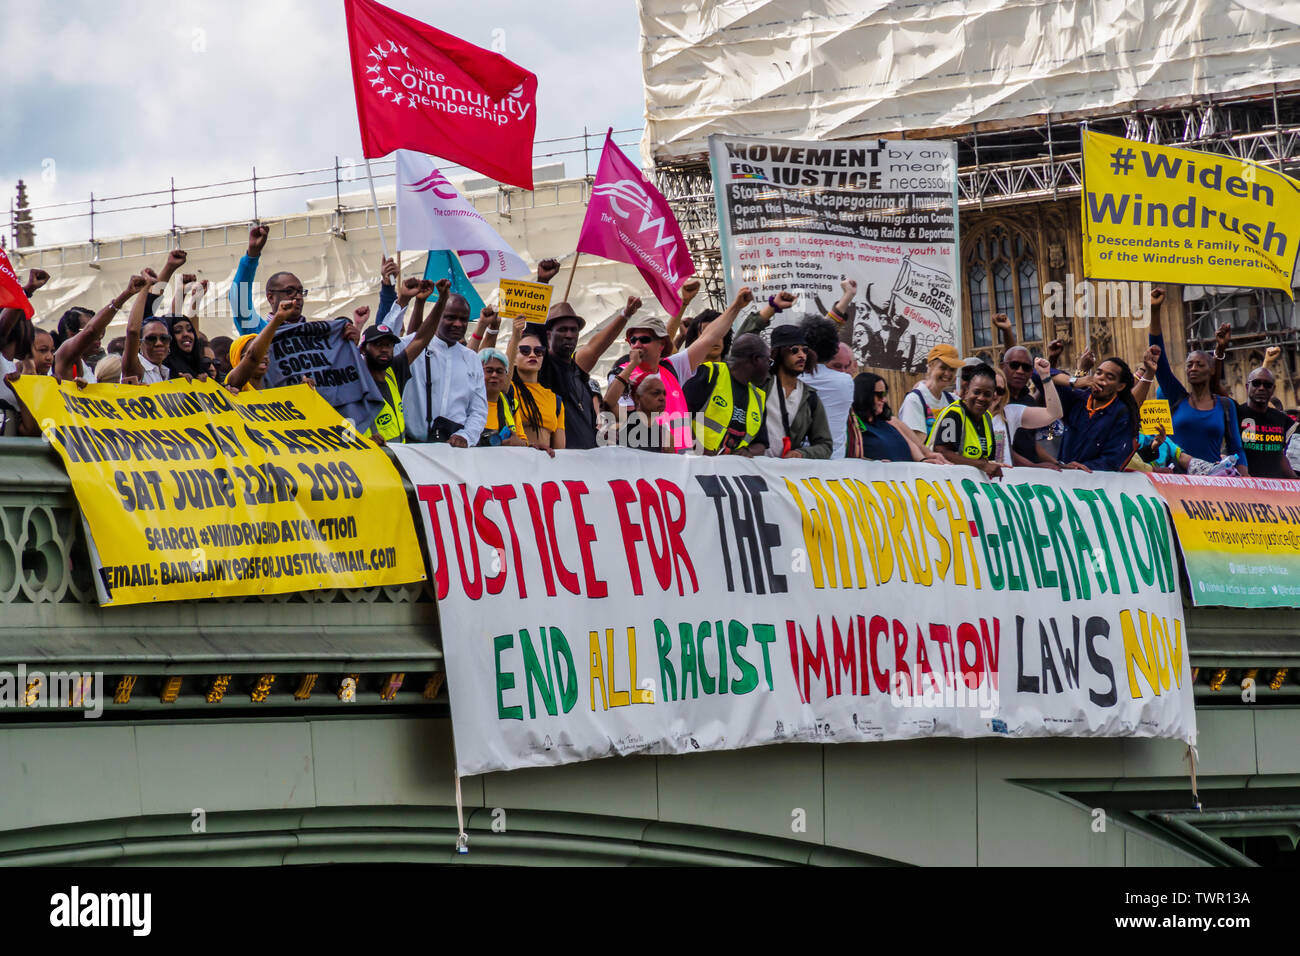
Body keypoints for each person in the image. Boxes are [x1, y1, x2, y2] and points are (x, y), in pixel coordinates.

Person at [602, 290, 745, 452]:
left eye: (645, 339)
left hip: (683, 460)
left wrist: (737, 306)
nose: (637, 344)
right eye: (633, 340)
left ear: (661, 344)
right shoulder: (621, 374)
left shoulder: (672, 367)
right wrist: (632, 366)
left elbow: (709, 338)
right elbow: (619, 416)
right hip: (646, 457)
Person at [1147, 287, 1248, 473]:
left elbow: (1236, 448)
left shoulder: (1225, 406)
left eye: (1199, 365)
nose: (1193, 368)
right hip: (1178, 482)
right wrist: (1154, 311)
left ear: (1211, 370)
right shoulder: (1176, 397)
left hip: (1213, 484)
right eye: (1189, 364)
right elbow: (1159, 359)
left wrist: (1246, 477)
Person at [538, 296, 643, 449]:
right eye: (562, 329)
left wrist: (626, 314)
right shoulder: (544, 369)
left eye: (573, 330)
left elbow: (595, 346)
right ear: (547, 335)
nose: (569, 335)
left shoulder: (579, 374)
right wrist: (542, 281)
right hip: (559, 465)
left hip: (588, 465)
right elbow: (532, 333)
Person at [363, 279, 449, 444]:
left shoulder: (393, 372)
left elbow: (421, 339)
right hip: (371, 461)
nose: (384, 349)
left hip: (401, 461)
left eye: (388, 345)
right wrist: (363, 442)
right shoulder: (356, 379)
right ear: (363, 349)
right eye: (377, 345)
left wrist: (442, 299)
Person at [399, 292, 486, 445]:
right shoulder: (412, 347)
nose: (458, 324)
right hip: (411, 449)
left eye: (463, 319)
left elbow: (478, 411)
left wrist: (466, 436)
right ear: (437, 316)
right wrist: (403, 300)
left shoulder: (472, 359)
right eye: (451, 317)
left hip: (454, 452)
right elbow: (385, 340)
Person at [683, 332, 770, 456]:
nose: (769, 368)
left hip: (729, 472)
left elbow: (761, 444)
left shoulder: (759, 398)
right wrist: (700, 451)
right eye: (768, 361)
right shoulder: (709, 375)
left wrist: (747, 452)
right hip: (692, 465)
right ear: (755, 359)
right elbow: (677, 418)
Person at [53, 274, 150, 383]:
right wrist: (125, 295)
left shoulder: (85, 367)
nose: (99, 337)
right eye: (96, 333)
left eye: (102, 332)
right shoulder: (64, 360)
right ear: (72, 335)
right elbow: (92, 330)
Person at [756, 324, 833, 459]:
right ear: (777, 352)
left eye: (805, 350)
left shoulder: (810, 397)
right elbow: (740, 348)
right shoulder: (760, 385)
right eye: (794, 350)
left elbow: (825, 445)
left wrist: (801, 454)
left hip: (787, 473)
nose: (801, 355)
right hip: (753, 468)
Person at [1053, 356, 1141, 473]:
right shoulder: (1077, 399)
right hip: (1063, 479)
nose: (1100, 379)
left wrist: (1077, 468)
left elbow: (1112, 461)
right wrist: (1074, 381)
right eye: (1098, 373)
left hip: (1093, 484)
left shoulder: (1122, 415)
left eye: (1109, 377)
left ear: (1120, 386)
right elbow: (1037, 375)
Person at [846, 372, 946, 463]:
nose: (884, 399)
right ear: (864, 395)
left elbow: (911, 444)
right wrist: (872, 463)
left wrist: (923, 460)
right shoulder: (853, 424)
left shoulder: (890, 421)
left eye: (885, 394)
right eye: (879, 395)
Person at [927, 364, 1002, 478]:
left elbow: (985, 458)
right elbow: (942, 452)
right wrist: (982, 465)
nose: (981, 398)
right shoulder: (954, 414)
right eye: (976, 392)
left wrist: (993, 466)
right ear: (967, 392)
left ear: (993, 397)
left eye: (987, 394)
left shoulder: (987, 418)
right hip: (943, 482)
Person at [989, 357, 1063, 468]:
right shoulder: (964, 414)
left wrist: (1046, 376)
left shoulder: (1009, 413)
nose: (995, 394)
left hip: (1004, 482)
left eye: (1000, 391)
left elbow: (1054, 413)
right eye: (991, 389)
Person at [799, 315, 854, 459]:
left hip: (798, 459)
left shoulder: (794, 378)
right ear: (833, 349)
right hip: (834, 464)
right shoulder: (846, 382)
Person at [1235, 365, 1298, 478]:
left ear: (1273, 389)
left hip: (1273, 488)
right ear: (1247, 386)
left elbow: (1279, 455)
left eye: (1267, 385)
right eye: (1256, 383)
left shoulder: (1282, 420)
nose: (1261, 388)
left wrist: (1295, 480)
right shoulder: (1237, 414)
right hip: (1245, 487)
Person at [509, 325, 566, 451]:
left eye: (538, 351)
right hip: (514, 463)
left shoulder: (555, 400)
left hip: (545, 467)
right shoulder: (507, 390)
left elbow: (560, 451)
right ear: (513, 358)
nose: (532, 355)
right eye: (525, 350)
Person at [226, 300, 297, 391]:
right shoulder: (233, 383)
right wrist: (277, 319)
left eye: (266, 353)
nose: (264, 357)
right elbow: (252, 357)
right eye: (259, 353)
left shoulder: (270, 387)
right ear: (239, 360)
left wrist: (303, 389)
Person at [899, 343, 963, 442]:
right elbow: (917, 443)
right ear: (930, 366)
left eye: (952, 369)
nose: (948, 373)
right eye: (943, 367)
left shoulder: (954, 400)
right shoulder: (914, 400)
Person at [479, 348, 528, 448]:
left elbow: (523, 441)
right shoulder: (465, 402)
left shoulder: (511, 405)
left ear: (506, 376)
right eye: (489, 370)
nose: (494, 375)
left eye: (500, 371)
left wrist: (520, 443)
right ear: (477, 372)